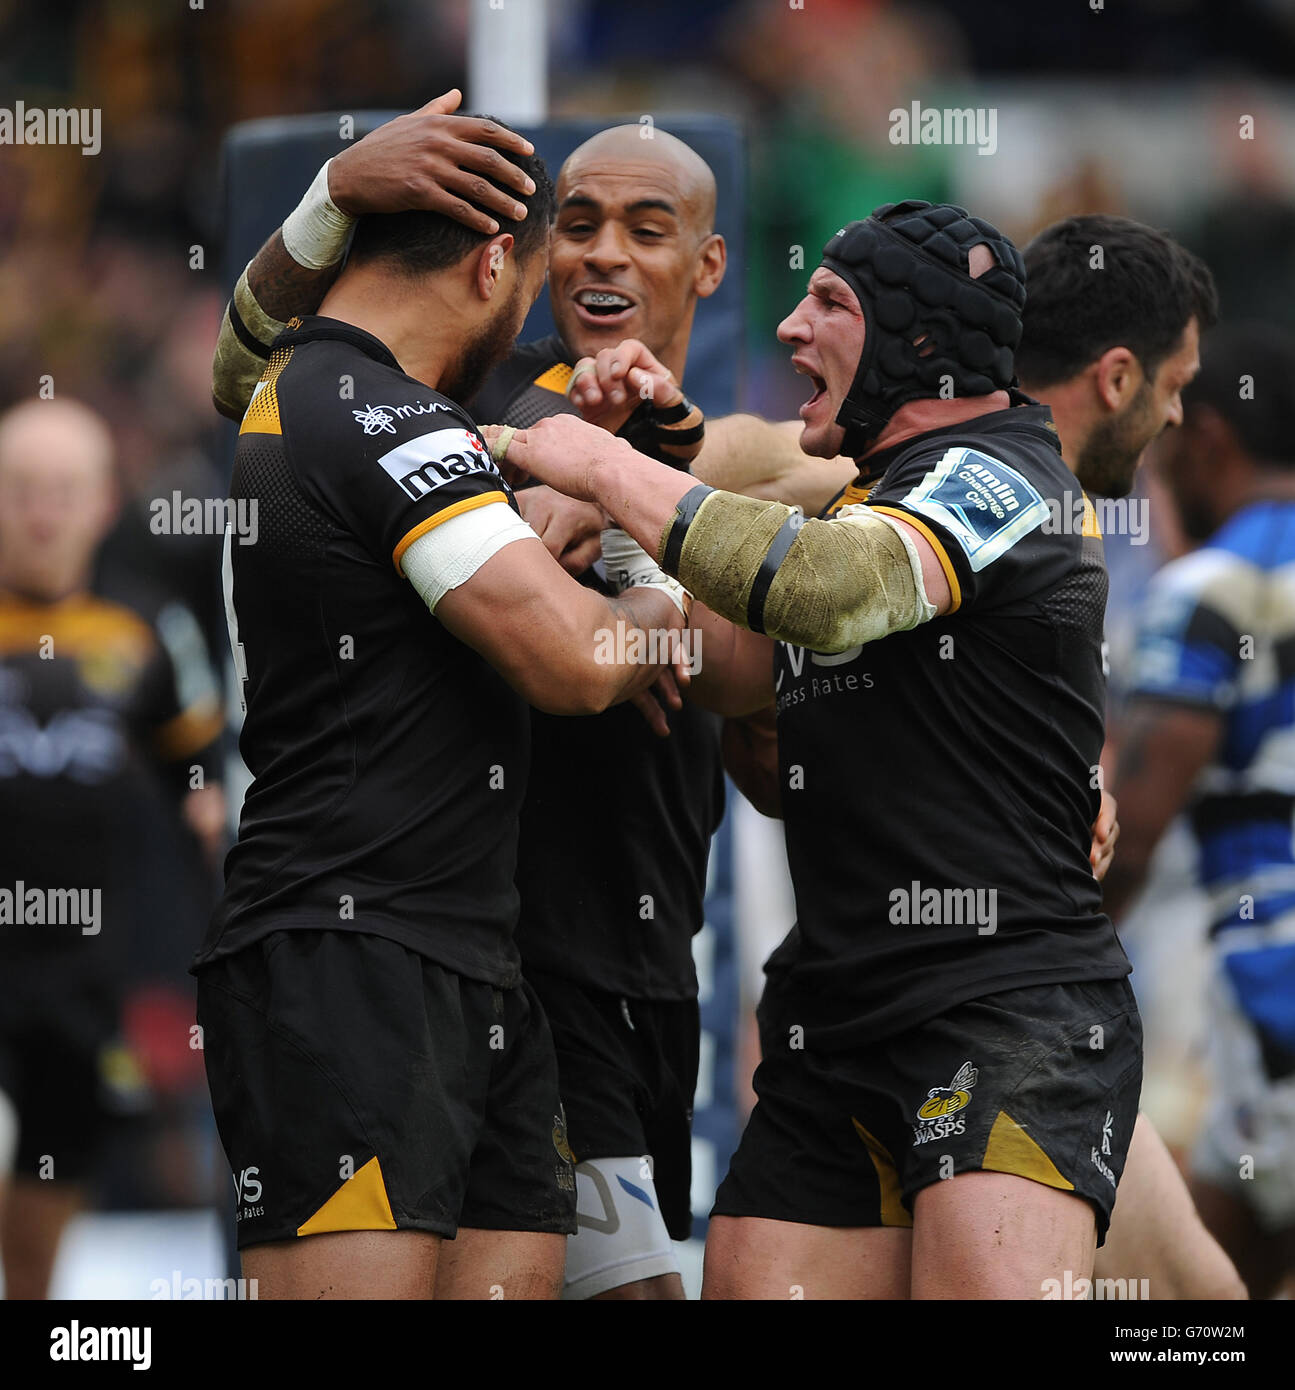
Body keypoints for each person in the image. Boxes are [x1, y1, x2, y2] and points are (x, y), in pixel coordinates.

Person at [494, 199, 1142, 1298]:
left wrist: (600, 475)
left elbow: (826, 586)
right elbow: (743, 665)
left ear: (920, 345)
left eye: (830, 304)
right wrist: (609, 530)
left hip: (1000, 1008)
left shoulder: (997, 478)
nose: (791, 329)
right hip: (835, 1019)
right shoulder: (869, 495)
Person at [210, 101, 730, 1299]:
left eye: (642, 228)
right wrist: (652, 597)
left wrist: (622, 487)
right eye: (571, 234)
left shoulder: (415, 415)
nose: (593, 264)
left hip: (483, 971)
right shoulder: (367, 411)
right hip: (350, 955)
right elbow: (570, 659)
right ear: (501, 263)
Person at [676, 210, 1241, 1299]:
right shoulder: (895, 471)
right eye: (1174, 382)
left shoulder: (1032, 502)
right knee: (1191, 1296)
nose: (1180, 413)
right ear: (1118, 377)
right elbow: (736, 461)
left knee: (1194, 1298)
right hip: (900, 994)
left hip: (1008, 998)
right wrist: (595, 462)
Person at [0, 398, 224, 1298]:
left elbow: (200, 784)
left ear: (102, 502)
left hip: (85, 974)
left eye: (63, 491)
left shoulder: (147, 632)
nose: (42, 510)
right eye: (20, 490)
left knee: (52, 1177)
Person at [1104, 323, 1295, 1299]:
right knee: (1210, 1278)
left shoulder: (1210, 590)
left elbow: (1126, 834)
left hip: (1278, 1009)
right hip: (1258, 1046)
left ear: (1206, 441)